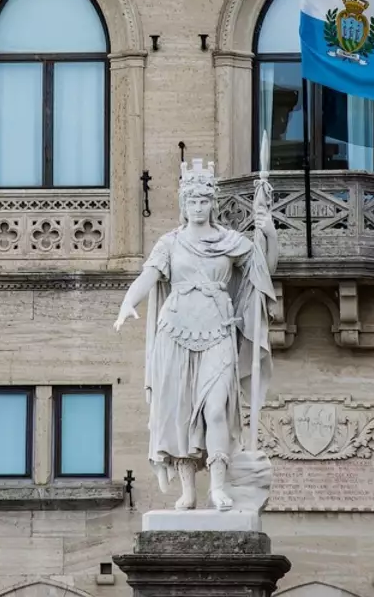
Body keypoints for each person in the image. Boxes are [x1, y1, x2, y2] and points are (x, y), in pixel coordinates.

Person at [114, 159, 277, 510]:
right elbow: (149, 276)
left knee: (216, 408)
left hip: (218, 330)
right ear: (183, 204)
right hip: (175, 332)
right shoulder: (170, 243)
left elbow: (263, 270)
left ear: (212, 204)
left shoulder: (230, 242)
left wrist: (269, 231)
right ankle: (187, 490)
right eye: (191, 201)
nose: (198, 207)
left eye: (204, 200)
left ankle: (218, 485)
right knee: (180, 412)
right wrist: (128, 302)